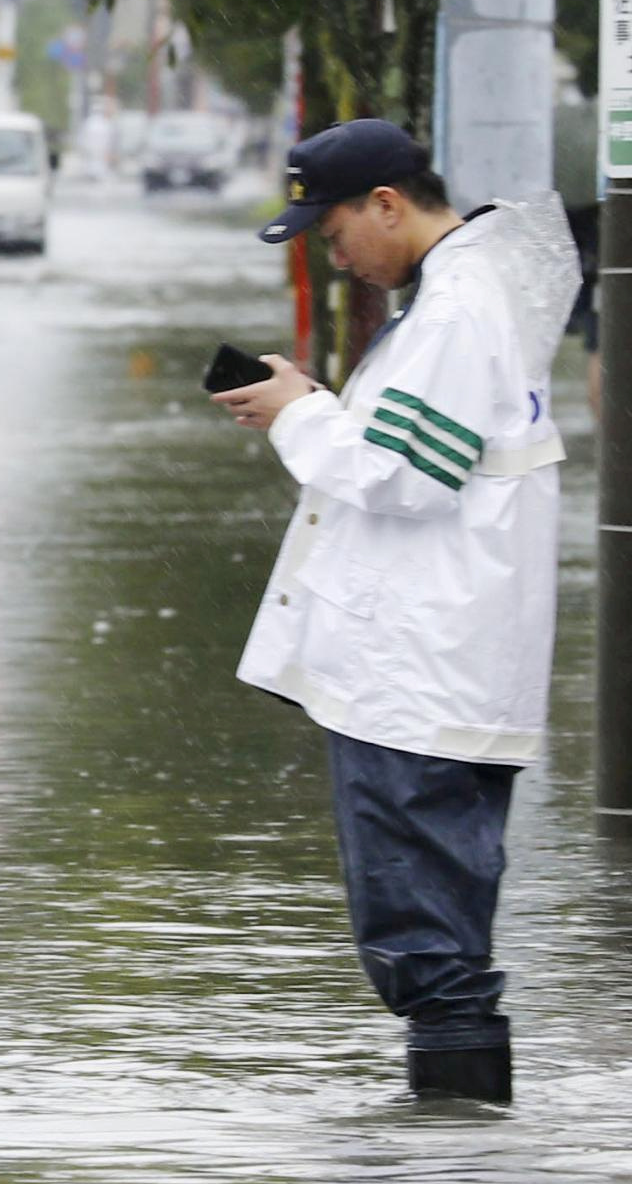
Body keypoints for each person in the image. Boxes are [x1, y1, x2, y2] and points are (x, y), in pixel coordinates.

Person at [218, 117, 571, 1104]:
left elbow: (399, 471)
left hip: (418, 671)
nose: (333, 260)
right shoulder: (468, 297)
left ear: (386, 203)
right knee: (437, 927)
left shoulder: (457, 310)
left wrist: (295, 409)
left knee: (427, 943)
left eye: (331, 235)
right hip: (439, 661)